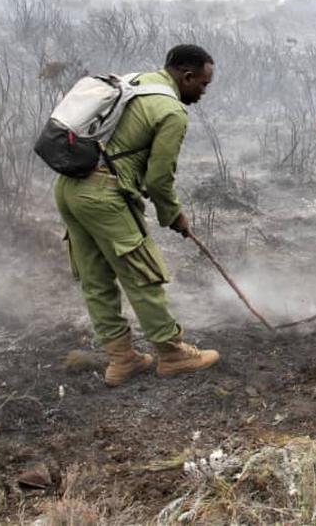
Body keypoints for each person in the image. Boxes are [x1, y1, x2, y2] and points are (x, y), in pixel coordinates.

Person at [55, 44, 220, 386]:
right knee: (141, 274)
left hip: (69, 188)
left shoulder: (136, 81)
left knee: (95, 279)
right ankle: (172, 354)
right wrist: (174, 216)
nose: (204, 91)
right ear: (187, 77)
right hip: (103, 195)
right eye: (202, 84)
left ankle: (122, 360)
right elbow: (160, 179)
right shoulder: (172, 111)